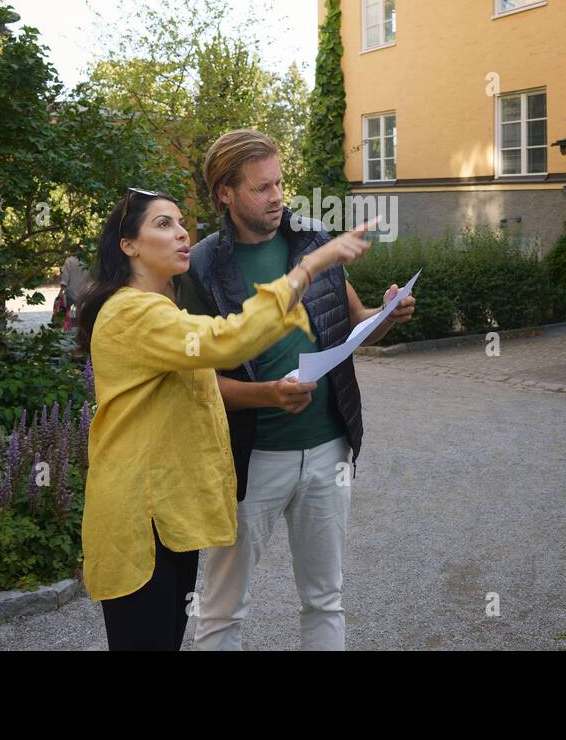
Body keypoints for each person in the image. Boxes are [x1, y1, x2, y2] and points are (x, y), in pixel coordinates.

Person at [78, 186, 373, 651]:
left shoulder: (161, 309)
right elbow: (229, 341)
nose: (180, 234)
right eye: (162, 224)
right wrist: (312, 266)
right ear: (128, 246)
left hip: (166, 514)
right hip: (138, 518)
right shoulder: (131, 313)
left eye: (180, 223)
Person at [182, 130, 415, 651]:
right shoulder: (200, 266)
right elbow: (194, 381)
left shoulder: (311, 239)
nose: (277, 197)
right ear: (225, 193)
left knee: (325, 598)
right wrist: (267, 394)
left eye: (280, 183)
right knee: (222, 609)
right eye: (262, 188)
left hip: (330, 445)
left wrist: (388, 313)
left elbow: (357, 323)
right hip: (251, 456)